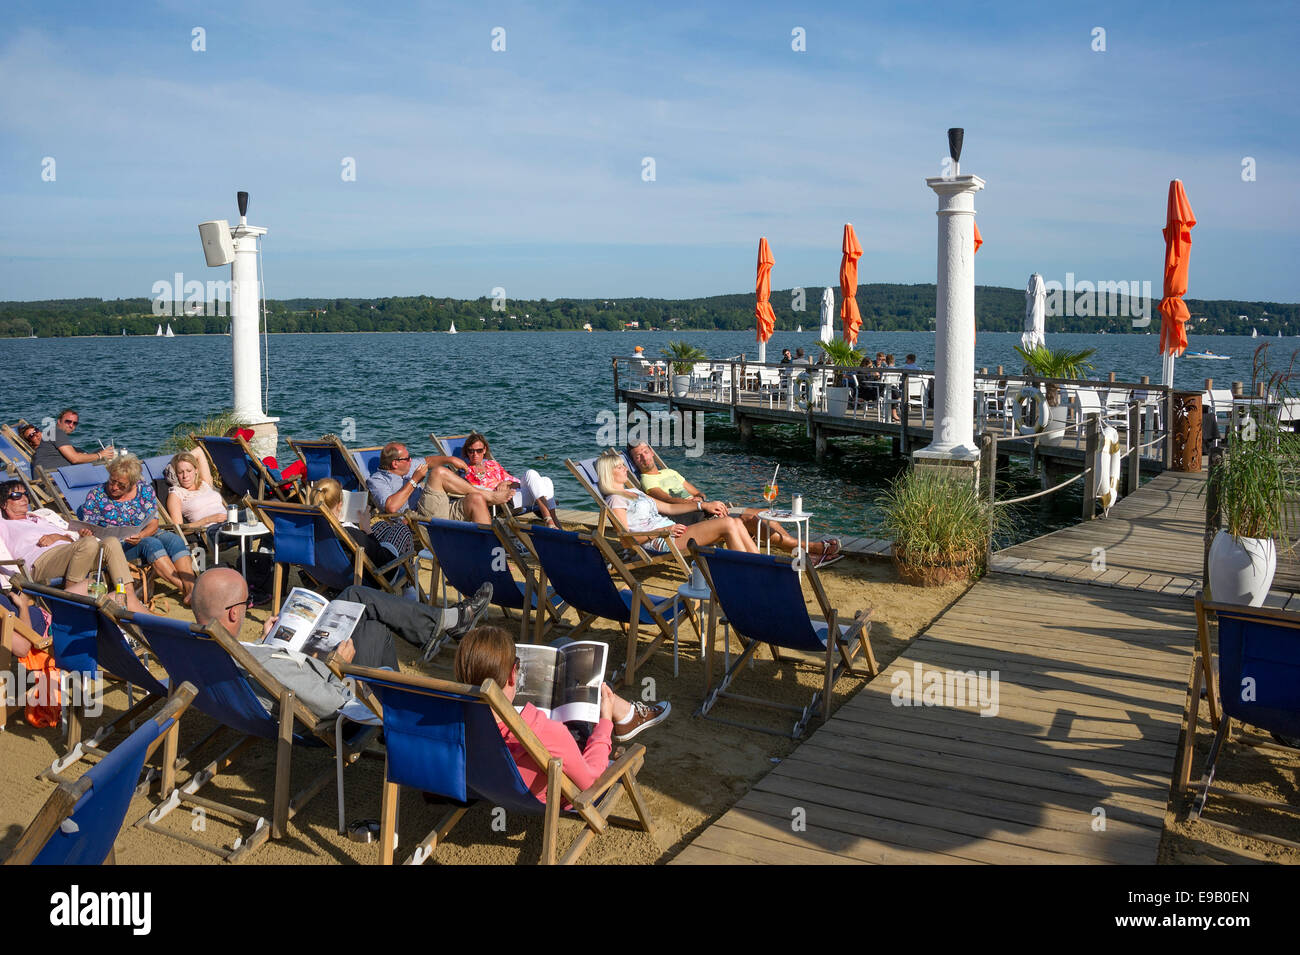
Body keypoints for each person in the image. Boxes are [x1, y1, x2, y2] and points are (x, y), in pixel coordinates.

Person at [192, 567, 493, 718]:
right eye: (248, 602)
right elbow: (330, 703)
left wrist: (265, 640)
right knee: (373, 626)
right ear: (234, 613)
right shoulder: (254, 661)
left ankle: (445, 623)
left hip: (292, 668)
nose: (250, 607)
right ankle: (447, 625)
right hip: (337, 696)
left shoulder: (197, 649)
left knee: (357, 601)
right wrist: (340, 665)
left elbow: (264, 669)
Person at [453, 625, 669, 801]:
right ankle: (622, 714)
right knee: (593, 688)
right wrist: (604, 722)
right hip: (542, 786)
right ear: (512, 675)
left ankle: (625, 713)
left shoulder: (449, 720)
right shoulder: (544, 731)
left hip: (488, 781)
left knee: (562, 644)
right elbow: (589, 783)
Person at [626, 442, 842, 566]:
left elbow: (698, 491)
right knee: (753, 519)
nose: (643, 458)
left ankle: (800, 550)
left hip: (706, 509)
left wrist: (700, 498)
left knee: (764, 513)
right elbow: (668, 501)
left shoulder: (670, 471)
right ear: (635, 462)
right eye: (638, 457)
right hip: (694, 517)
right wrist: (695, 503)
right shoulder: (647, 481)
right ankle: (811, 548)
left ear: (652, 452)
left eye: (645, 452)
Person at [0, 479, 148, 611]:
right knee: (88, 543)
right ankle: (72, 599)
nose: (24, 498)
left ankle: (128, 594)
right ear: (3, 503)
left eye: (26, 494)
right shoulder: (4, 524)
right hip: (41, 564)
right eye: (16, 496)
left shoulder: (40, 517)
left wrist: (57, 536)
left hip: (71, 553)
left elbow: (72, 541)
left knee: (111, 542)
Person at [80, 454, 197, 605]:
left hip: (143, 533)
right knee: (151, 544)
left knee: (174, 540)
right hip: (117, 545)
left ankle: (192, 589)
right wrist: (86, 533)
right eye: (112, 481)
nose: (114, 487)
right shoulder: (96, 495)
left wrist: (141, 535)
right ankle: (184, 589)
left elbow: (153, 523)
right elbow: (90, 527)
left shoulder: (144, 490)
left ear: (133, 483)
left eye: (121, 485)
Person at [595, 449, 757, 555]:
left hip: (671, 532)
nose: (625, 469)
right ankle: (745, 571)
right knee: (727, 523)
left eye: (624, 465)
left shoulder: (633, 492)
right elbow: (626, 539)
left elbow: (670, 508)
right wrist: (666, 529)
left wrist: (702, 505)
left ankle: (758, 565)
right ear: (609, 474)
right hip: (662, 539)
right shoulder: (615, 499)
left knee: (735, 521)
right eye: (619, 467)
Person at [367, 441, 510, 526]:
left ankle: (489, 554)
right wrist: (415, 480)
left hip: (440, 509)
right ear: (395, 463)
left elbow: (428, 461)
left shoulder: (408, 466)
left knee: (475, 500)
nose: (411, 460)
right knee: (437, 473)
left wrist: (450, 459)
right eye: (407, 458)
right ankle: (488, 495)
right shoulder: (377, 480)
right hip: (419, 518)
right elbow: (391, 507)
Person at [458, 432, 559, 529]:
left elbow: (515, 482)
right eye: (471, 451)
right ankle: (553, 521)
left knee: (543, 479)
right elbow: (472, 491)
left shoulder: (492, 464)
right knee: (543, 483)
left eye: (479, 450)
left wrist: (506, 483)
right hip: (502, 501)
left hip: (514, 492)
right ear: (467, 452)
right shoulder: (465, 471)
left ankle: (551, 521)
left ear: (484, 450)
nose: (475, 454)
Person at [308, 477, 399, 574]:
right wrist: (367, 530)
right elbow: (386, 561)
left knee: (383, 525)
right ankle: (408, 586)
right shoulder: (349, 533)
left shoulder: (309, 530)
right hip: (374, 577)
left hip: (329, 575)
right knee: (400, 528)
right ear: (340, 505)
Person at [165, 451, 225, 546]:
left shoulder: (204, 483)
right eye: (180, 472)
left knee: (253, 516)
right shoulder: (176, 494)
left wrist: (180, 458)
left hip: (230, 520)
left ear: (196, 470)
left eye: (189, 470)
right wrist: (208, 519)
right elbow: (179, 529)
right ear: (176, 474)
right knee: (250, 524)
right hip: (212, 531)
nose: (185, 476)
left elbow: (199, 451)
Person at [30, 409, 115, 473]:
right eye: (68, 421)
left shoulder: (52, 434)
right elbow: (75, 459)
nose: (71, 425)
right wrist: (100, 455)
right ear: (59, 421)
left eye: (75, 423)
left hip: (51, 477)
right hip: (53, 480)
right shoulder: (56, 432)